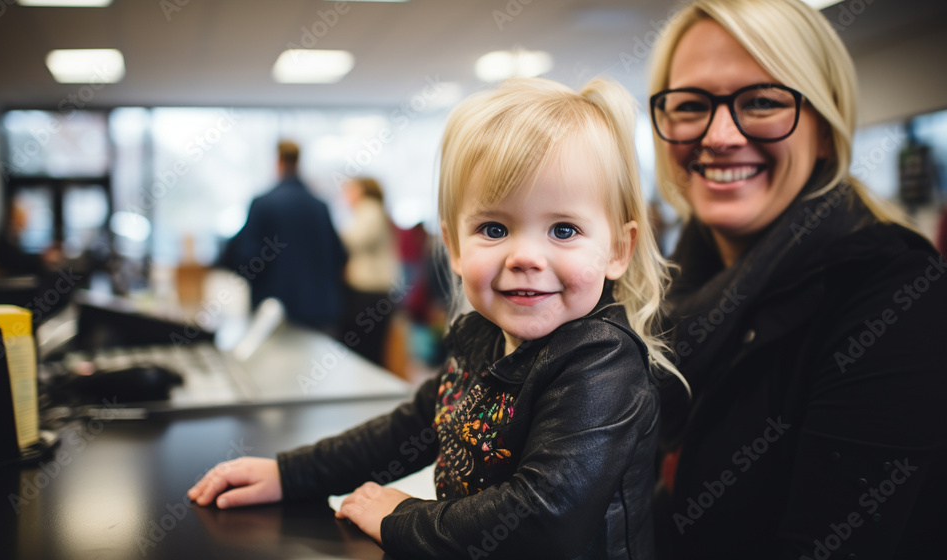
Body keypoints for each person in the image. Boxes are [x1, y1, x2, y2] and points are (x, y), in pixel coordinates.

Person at [189, 77, 682, 559]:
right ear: (453, 247)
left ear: (618, 249)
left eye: (563, 229)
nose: (525, 257)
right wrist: (289, 475)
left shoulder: (601, 364)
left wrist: (399, 517)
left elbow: (544, 519)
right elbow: (413, 427)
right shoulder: (489, 340)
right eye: (494, 228)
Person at [647, 1, 947, 558]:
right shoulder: (675, 290)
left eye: (761, 101)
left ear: (826, 131)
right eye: (690, 105)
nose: (719, 135)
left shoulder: (895, 292)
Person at [218, 140, 347, 332]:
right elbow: (340, 256)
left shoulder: (263, 204)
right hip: (319, 313)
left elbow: (248, 258)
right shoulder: (320, 207)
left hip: (274, 313)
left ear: (277, 161)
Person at [338, 176, 401, 367]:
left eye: (350, 190)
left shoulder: (369, 208)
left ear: (361, 191)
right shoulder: (372, 210)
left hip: (369, 291)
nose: (346, 196)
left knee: (365, 351)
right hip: (375, 291)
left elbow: (354, 241)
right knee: (370, 349)